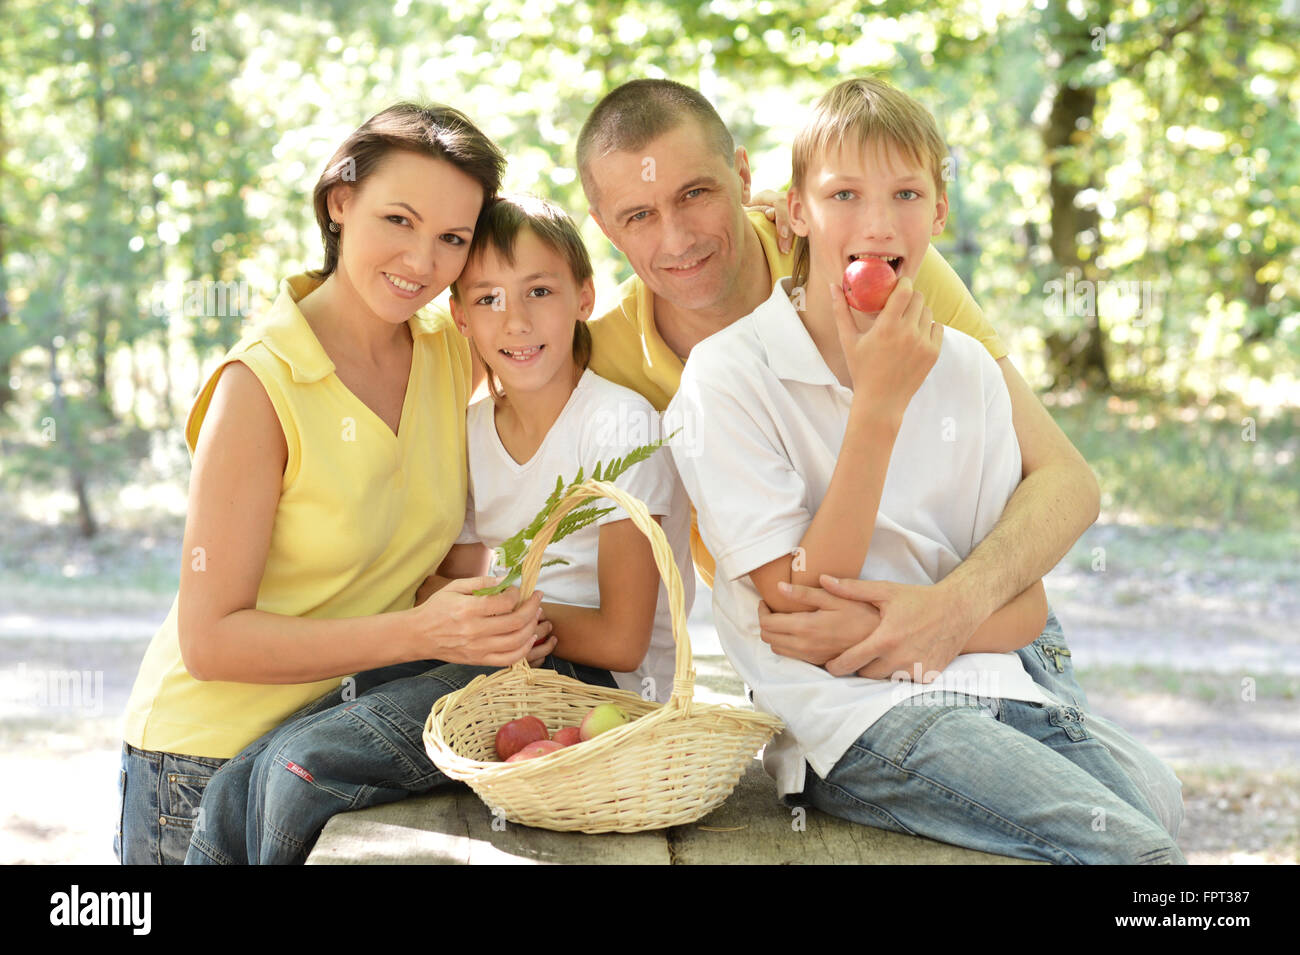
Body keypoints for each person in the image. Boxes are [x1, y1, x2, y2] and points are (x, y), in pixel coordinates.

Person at [575, 78, 1183, 837]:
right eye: (639, 213)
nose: (677, 238)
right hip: (834, 679)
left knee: (1158, 806)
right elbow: (797, 608)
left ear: (745, 182)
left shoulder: (915, 298)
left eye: (696, 193)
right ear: (604, 225)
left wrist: (948, 614)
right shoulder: (625, 357)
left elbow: (1054, 519)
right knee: (1135, 849)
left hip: (973, 635)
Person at [117, 103, 556, 865]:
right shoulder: (258, 386)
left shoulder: (449, 352)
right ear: (340, 202)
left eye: (452, 238)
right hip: (204, 766)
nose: (422, 261)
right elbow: (211, 638)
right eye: (399, 219)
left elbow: (575, 339)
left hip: (341, 752)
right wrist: (423, 634)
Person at [444, 193, 692, 705]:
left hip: (604, 690)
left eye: (538, 291)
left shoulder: (619, 425)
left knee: (327, 748)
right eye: (488, 298)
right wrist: (482, 616)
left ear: (584, 298)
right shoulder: (469, 431)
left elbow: (621, 641)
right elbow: (445, 590)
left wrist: (493, 614)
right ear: (460, 316)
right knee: (342, 702)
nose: (515, 321)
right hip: (509, 657)